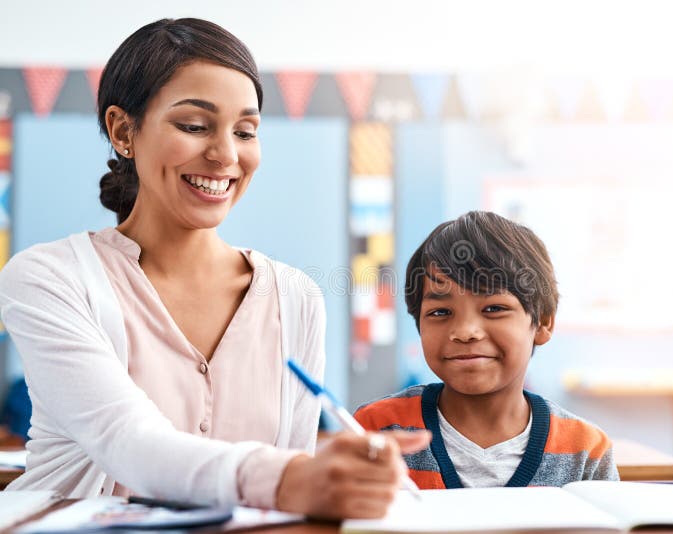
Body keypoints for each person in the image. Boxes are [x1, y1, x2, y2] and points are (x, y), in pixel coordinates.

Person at [0, 18, 428, 518]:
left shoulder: (295, 297)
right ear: (123, 131)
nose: (226, 155)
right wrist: (290, 477)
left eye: (245, 131)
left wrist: (339, 477)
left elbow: (291, 486)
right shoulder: (50, 278)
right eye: (194, 126)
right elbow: (127, 441)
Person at [354, 211, 618, 489]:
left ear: (542, 322)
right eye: (441, 312)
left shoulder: (586, 450)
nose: (466, 331)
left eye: (494, 308)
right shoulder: (377, 429)